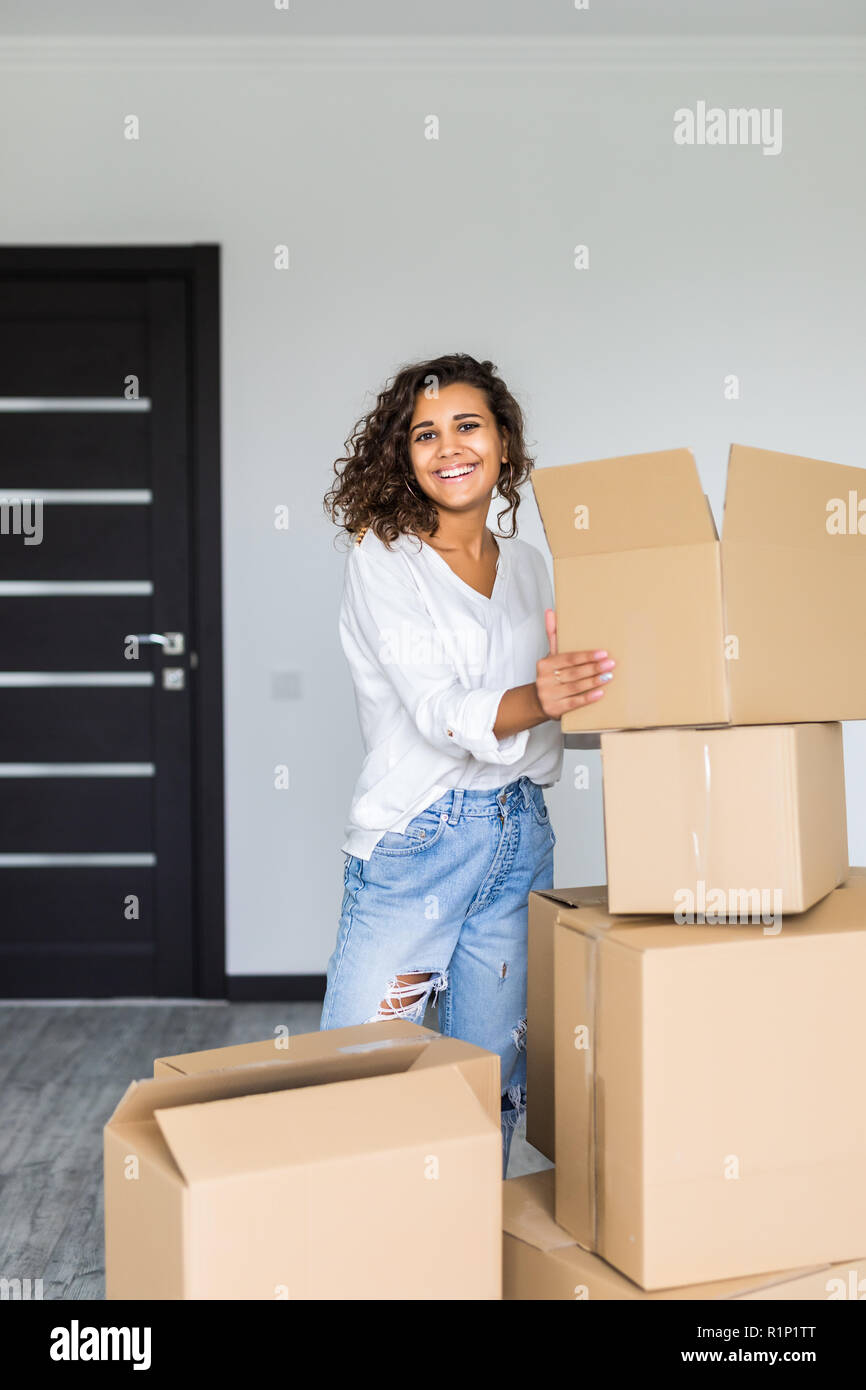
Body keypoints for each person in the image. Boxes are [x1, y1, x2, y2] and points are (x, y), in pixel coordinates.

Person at [320, 352, 616, 1176]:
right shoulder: (383, 559)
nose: (448, 447)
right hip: (419, 843)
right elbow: (441, 712)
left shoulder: (527, 565)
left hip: (519, 835)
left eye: (467, 425)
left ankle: (459, 1262)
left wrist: (610, 692)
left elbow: (558, 714)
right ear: (403, 457)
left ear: (506, 444)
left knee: (487, 1084)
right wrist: (543, 694)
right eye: (425, 433)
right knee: (361, 1082)